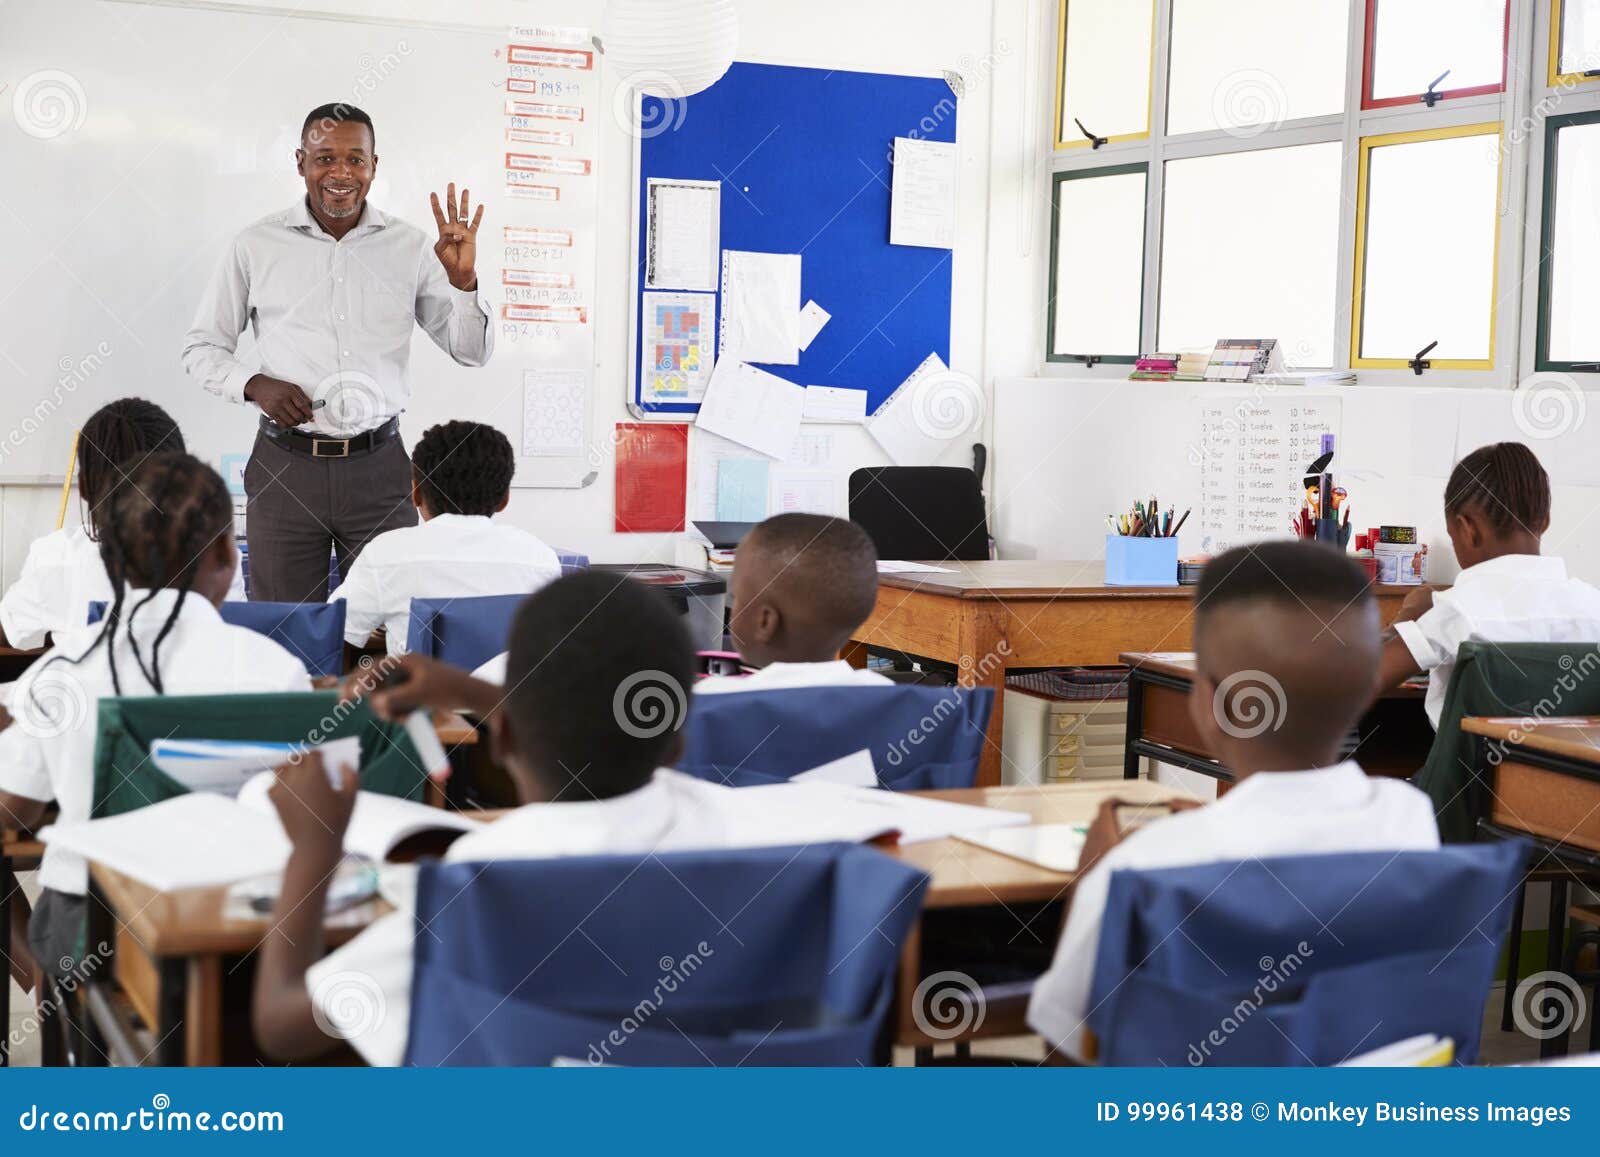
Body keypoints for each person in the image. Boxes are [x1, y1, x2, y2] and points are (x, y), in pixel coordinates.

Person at [252, 572, 737, 1065]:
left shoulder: (480, 885)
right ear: (677, 742)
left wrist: (313, 853)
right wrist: (483, 697)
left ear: (500, 739)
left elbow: (285, 1026)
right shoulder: (749, 834)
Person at [1026, 542, 1440, 1063]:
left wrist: (1095, 875)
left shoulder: (1142, 867)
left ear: (1210, 702)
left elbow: (1068, 1045)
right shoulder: (1410, 818)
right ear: (1366, 691)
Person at [0, 454, 311, 981]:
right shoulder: (275, 668)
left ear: (112, 560)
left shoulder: (64, 668)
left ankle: (60, 1014)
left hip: (93, 932)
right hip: (237, 935)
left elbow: (13, 812)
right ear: (226, 554)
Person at [182, 102, 493, 604]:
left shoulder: (411, 247)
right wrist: (254, 384)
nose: (341, 173)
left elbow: (470, 353)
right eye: (325, 158)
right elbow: (202, 348)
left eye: (356, 159)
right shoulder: (255, 245)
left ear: (374, 166)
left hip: (380, 471)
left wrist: (463, 285)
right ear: (300, 161)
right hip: (287, 468)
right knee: (287, 630)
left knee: (388, 629)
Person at [1374, 441, 1600, 729]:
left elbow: (1360, 683)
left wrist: (1407, 617)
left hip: (1467, 775)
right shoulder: (1593, 607)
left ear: (1467, 529)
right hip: (1572, 773)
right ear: (1545, 521)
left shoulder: (1458, 609)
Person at [0, 399, 243, 650]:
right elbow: (236, 637)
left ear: (83, 487)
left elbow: (8, 630)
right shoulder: (217, 556)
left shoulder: (57, 556)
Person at [329, 420, 561, 655]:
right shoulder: (541, 560)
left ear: (416, 493)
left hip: (420, 691)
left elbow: (331, 633)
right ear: (504, 499)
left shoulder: (387, 555)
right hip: (509, 692)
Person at [694, 513, 892, 694]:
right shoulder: (886, 694)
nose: (733, 606)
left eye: (735, 598)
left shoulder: (710, 698)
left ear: (765, 621)